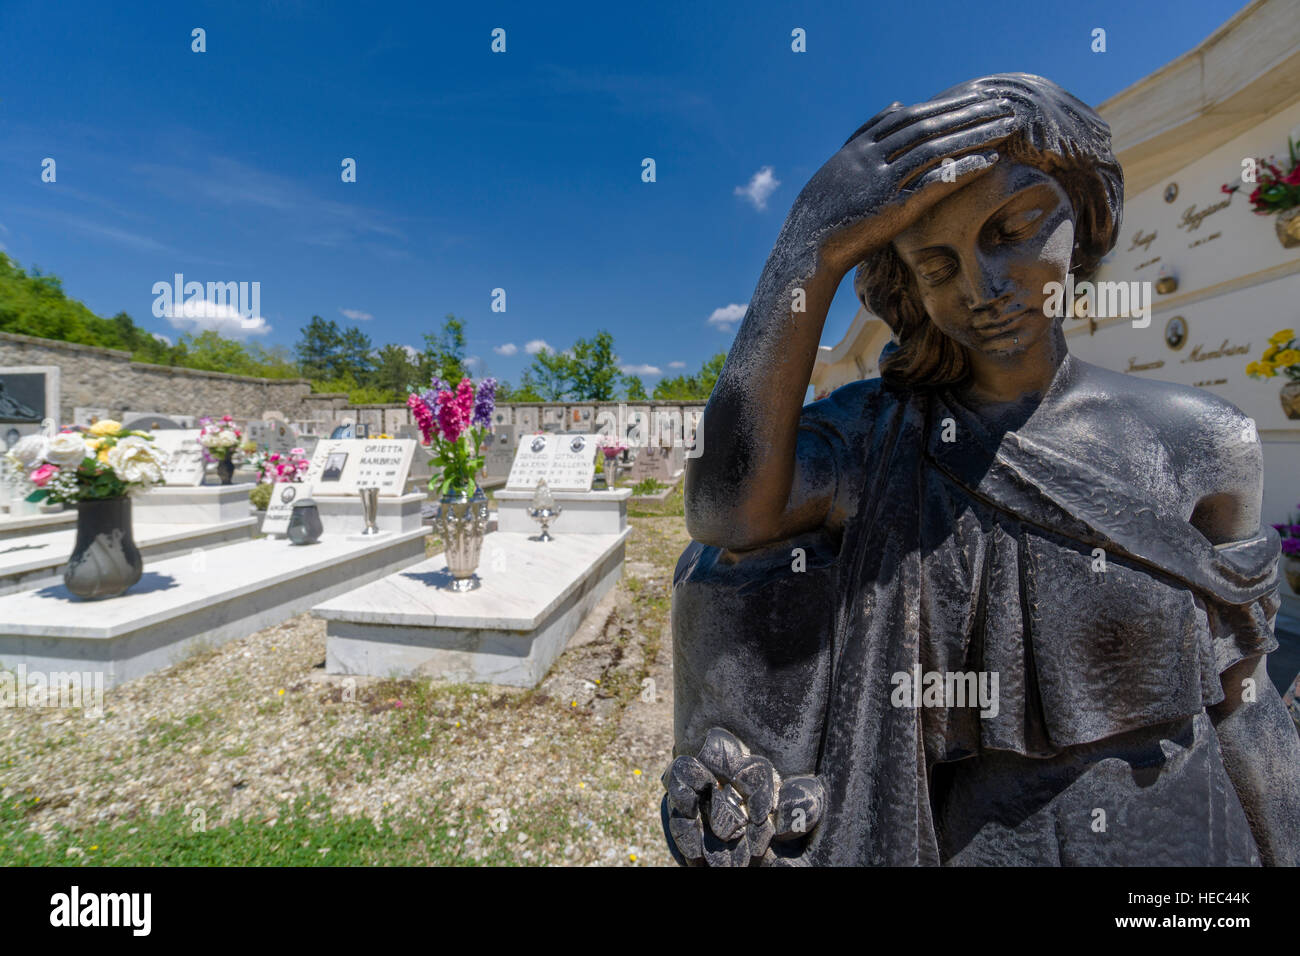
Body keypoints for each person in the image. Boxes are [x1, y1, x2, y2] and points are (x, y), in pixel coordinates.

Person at [665, 73, 1300, 866]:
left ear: (1085, 213)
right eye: (937, 264)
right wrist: (810, 246)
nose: (983, 286)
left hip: (1185, 844)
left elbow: (1243, 700)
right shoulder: (875, 436)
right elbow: (728, 514)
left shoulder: (1206, 442)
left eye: (1014, 229)